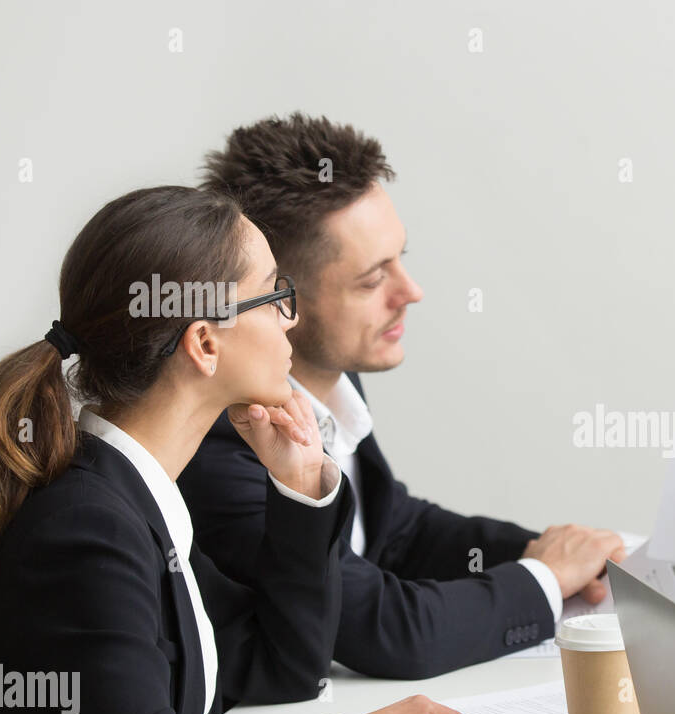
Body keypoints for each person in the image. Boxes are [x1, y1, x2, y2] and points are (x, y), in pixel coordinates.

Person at [0, 186, 491, 714]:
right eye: (276, 294)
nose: (290, 320)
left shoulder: (138, 500)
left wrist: (299, 492)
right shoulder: (87, 530)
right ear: (204, 344)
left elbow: (285, 667)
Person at [182, 113, 623, 679]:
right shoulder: (220, 438)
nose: (410, 293)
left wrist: (558, 552)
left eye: (401, 260)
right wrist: (544, 578)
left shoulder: (331, 378)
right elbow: (385, 629)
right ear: (276, 298)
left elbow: (393, 531)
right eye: (371, 280)